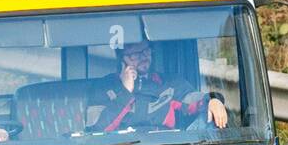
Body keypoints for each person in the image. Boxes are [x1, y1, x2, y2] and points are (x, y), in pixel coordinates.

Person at [85, 41, 228, 134]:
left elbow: (195, 99)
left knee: (211, 118)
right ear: (121, 58)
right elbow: (96, 130)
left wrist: (213, 100)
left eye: (146, 51)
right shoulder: (103, 86)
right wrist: (125, 91)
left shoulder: (170, 83)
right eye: (135, 54)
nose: (143, 57)